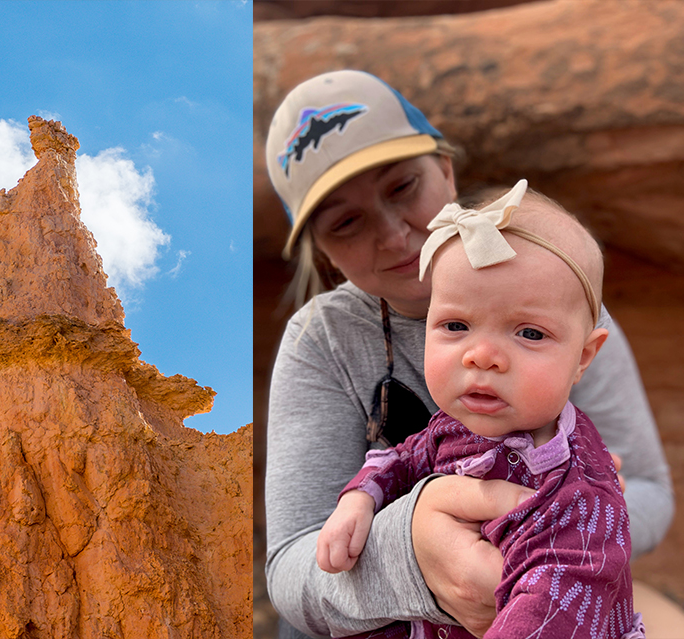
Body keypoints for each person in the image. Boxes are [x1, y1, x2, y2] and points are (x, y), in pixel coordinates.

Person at [263, 70, 673, 639]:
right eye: (346, 222)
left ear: (446, 169)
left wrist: (582, 517)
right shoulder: (323, 340)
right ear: (323, 251)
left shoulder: (563, 295)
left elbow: (650, 489)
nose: (393, 232)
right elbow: (292, 567)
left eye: (403, 187)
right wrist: (413, 552)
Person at [316, 181, 645, 638]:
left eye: (529, 333)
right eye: (455, 325)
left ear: (584, 357)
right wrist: (360, 498)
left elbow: (552, 612)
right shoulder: (450, 428)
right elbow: (401, 459)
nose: (482, 355)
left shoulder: (577, 495)